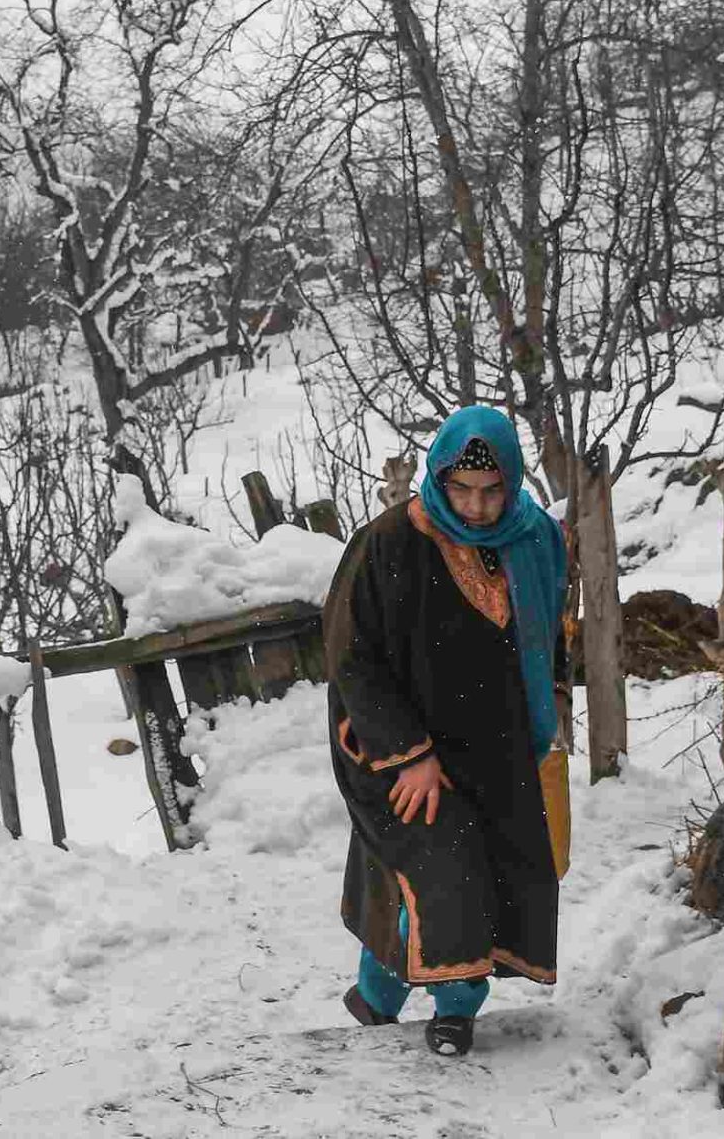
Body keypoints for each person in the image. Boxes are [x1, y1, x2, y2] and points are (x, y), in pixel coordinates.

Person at [322, 405, 567, 1057]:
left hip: (499, 744)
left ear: (514, 484)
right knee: (443, 869)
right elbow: (352, 657)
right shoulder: (388, 543)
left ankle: (387, 998)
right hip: (402, 748)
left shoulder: (536, 536)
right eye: (463, 489)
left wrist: (553, 706)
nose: (479, 507)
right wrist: (409, 755)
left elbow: (550, 630)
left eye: (493, 492)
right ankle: (444, 1006)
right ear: (439, 475)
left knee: (484, 873)